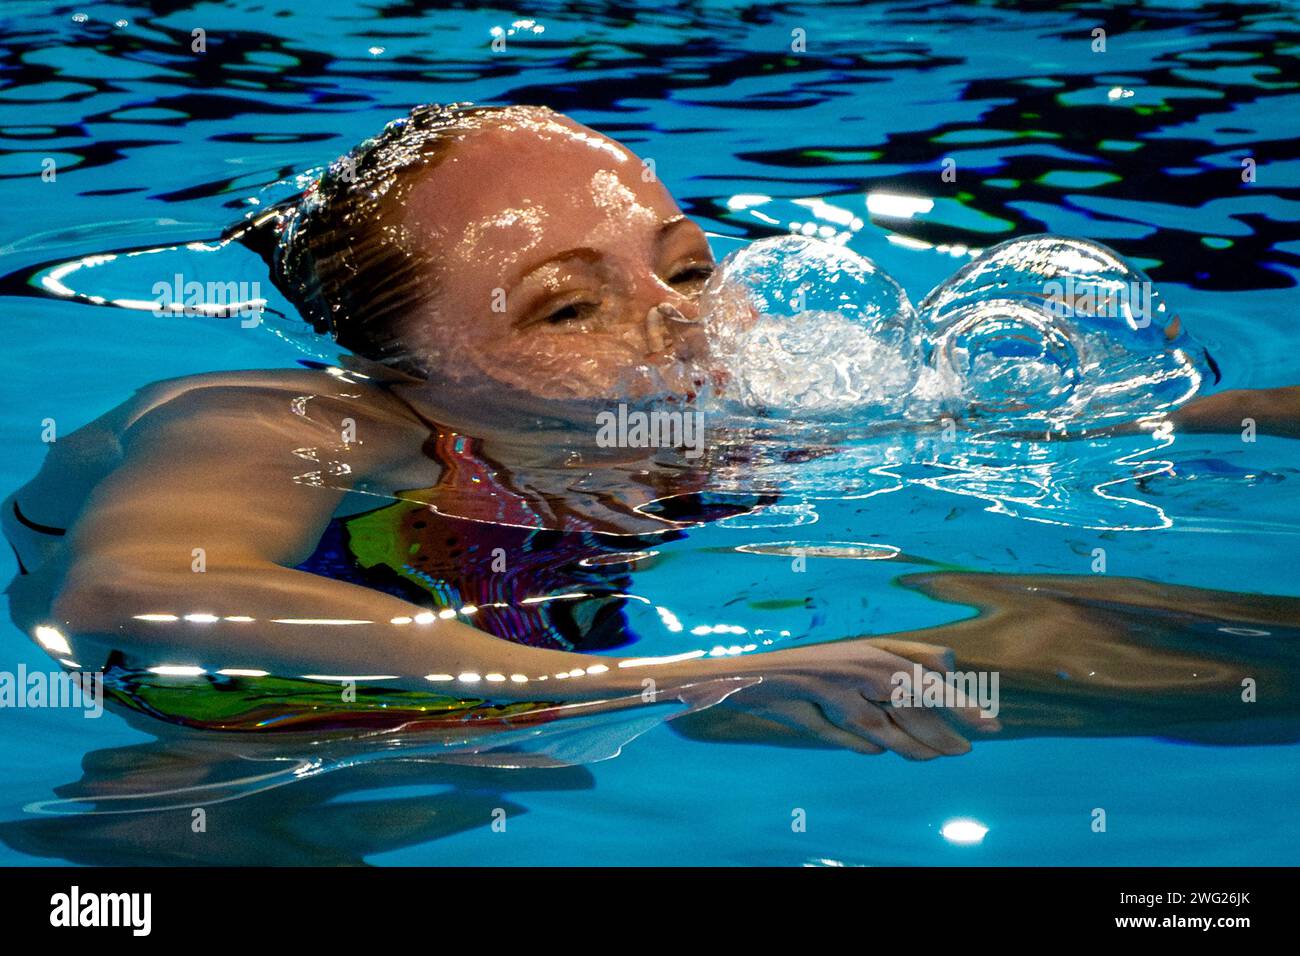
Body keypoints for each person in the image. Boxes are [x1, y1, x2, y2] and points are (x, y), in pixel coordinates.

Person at [4, 103, 1296, 759]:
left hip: (550, 688)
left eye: (683, 267)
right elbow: (132, 586)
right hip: (249, 739)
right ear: (396, 358)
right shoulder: (280, 420)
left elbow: (1012, 430)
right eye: (568, 305)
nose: (676, 328)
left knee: (1119, 635)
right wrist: (657, 683)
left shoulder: (682, 416)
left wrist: (1241, 414)